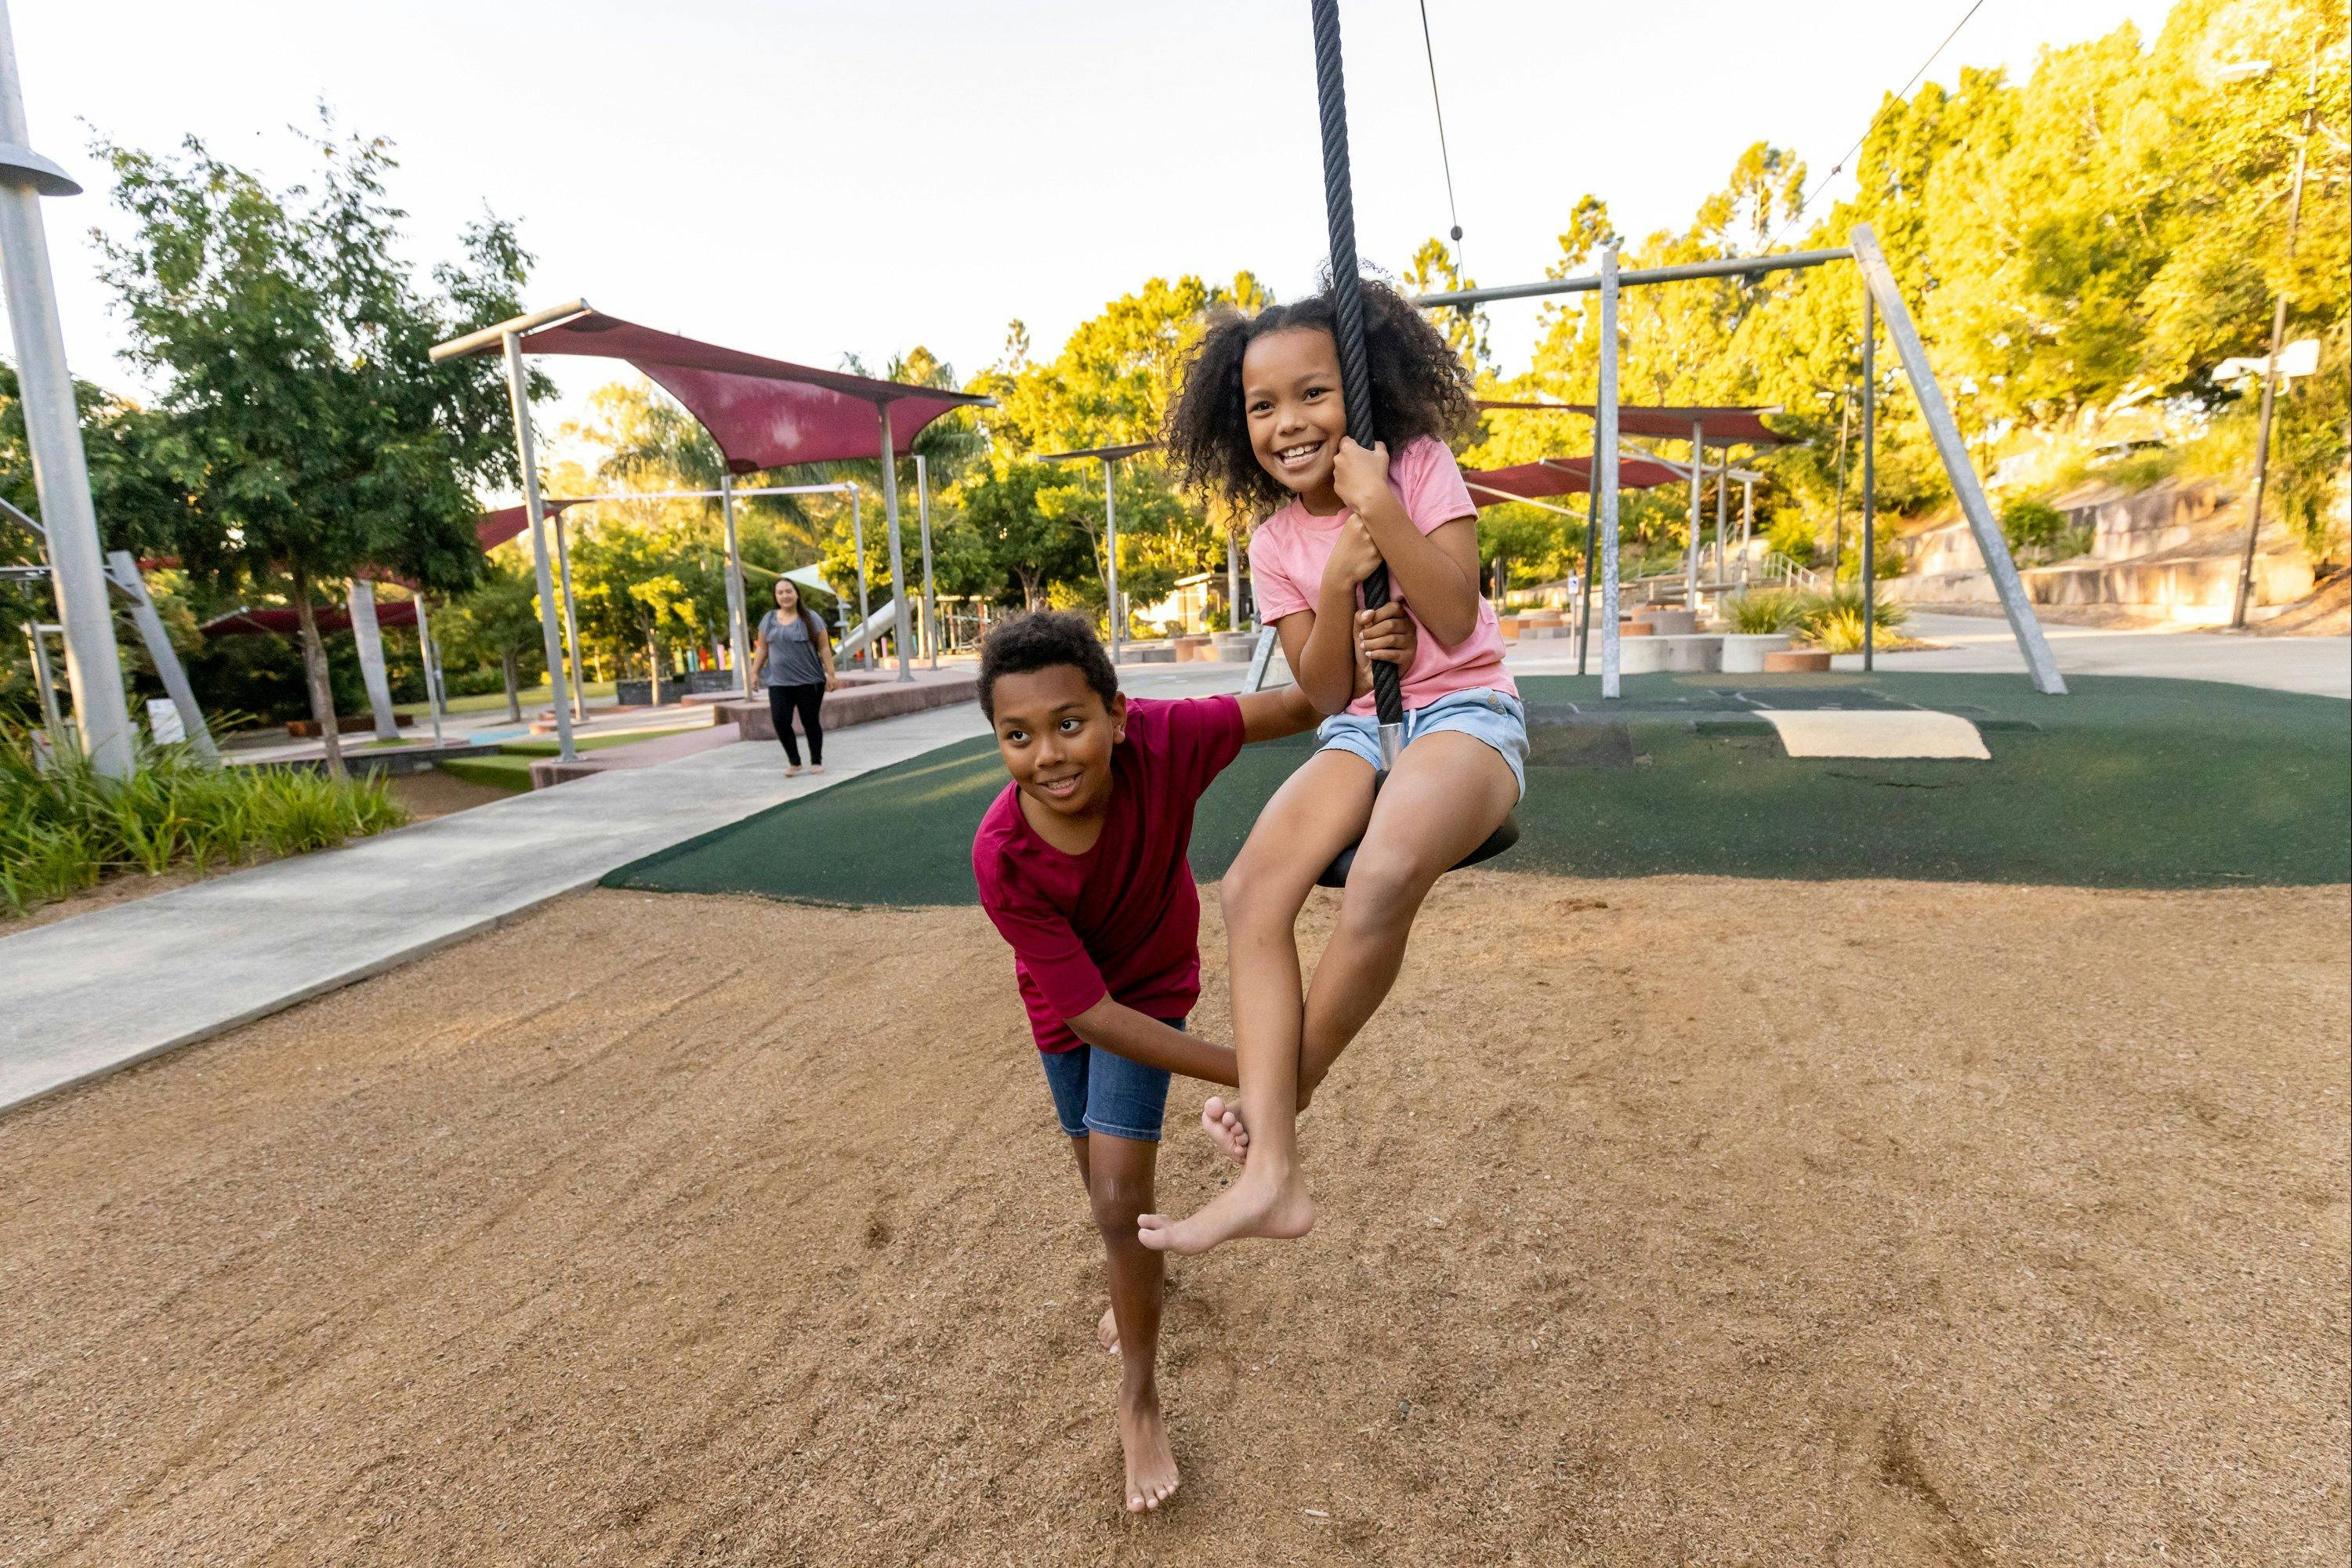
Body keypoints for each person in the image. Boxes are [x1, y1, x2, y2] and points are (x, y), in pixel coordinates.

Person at [970, 604, 1413, 1514]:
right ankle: (1132, 1278)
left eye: (1068, 723)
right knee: (1096, 1175)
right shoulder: (1003, 857)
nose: (1048, 753)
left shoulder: (1166, 740)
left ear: (1117, 715)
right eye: (1018, 736)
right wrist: (1257, 1071)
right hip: (1074, 1013)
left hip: (1152, 985)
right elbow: (1087, 1013)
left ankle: (1139, 1398)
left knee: (1116, 1195)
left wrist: (1371, 652)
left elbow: (1301, 705)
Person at [1137, 280, 1528, 1258]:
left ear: (1361, 389)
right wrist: (1340, 586)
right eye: (1262, 407)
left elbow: (1451, 617)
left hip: (1464, 712)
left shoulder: (1423, 465)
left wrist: (1379, 509)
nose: (1287, 423)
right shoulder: (1274, 542)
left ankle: (1278, 1125)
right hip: (1359, 728)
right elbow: (1319, 693)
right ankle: (1276, 1171)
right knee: (1250, 891)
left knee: (1387, 870)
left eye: (1312, 393)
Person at [750, 578, 839, 775]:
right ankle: (795, 761)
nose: (785, 596)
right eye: (780, 593)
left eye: (788, 591)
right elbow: (763, 647)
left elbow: (824, 647)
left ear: (796, 594)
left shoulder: (811, 618)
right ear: (776, 596)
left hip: (810, 681)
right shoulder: (769, 619)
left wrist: (831, 674)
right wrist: (754, 672)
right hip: (779, 682)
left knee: (810, 721)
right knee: (780, 721)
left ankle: (816, 761)